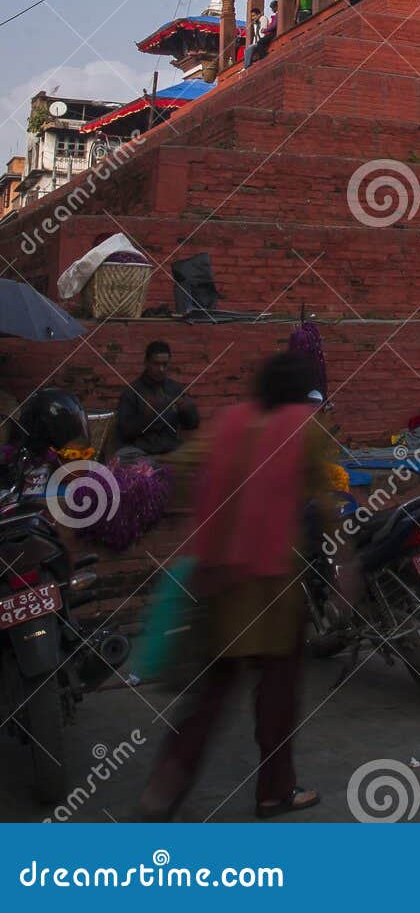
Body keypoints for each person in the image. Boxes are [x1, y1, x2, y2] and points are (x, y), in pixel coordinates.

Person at [138, 350, 336, 820]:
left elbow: (181, 468)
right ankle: (274, 791)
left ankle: (161, 791)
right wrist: (339, 563)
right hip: (274, 589)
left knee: (208, 698)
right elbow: (325, 505)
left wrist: (208, 523)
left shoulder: (228, 422)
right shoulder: (304, 430)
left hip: (221, 582)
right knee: (277, 697)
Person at [116, 342, 199, 457]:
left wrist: (189, 410)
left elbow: (191, 425)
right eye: (156, 364)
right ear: (146, 362)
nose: (161, 369)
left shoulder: (175, 388)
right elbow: (124, 433)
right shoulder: (132, 392)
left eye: (165, 364)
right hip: (141, 451)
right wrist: (147, 416)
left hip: (171, 449)